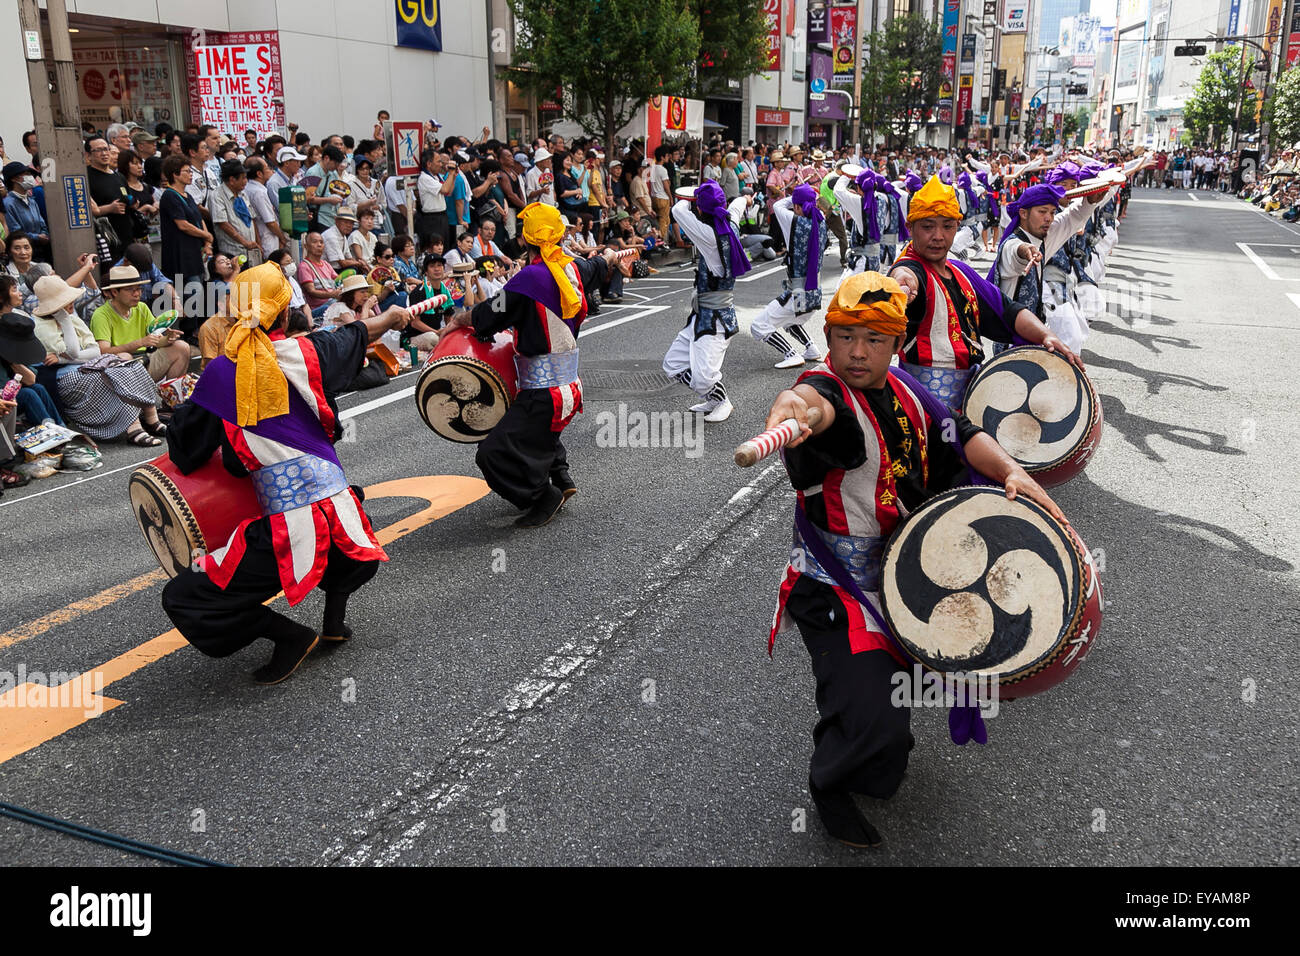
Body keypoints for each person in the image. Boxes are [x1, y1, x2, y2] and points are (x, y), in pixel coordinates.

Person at [762, 270, 1068, 847]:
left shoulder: (905, 390)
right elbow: (809, 406)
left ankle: (869, 738)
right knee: (870, 704)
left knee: (896, 702)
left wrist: (1013, 472)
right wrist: (792, 410)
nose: (858, 352)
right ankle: (828, 785)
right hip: (835, 584)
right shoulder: (827, 392)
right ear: (827, 337)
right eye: (846, 335)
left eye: (874, 339)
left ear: (895, 345)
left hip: (906, 574)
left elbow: (963, 434)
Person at [160, 263, 411, 684]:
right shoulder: (311, 352)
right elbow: (352, 336)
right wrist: (388, 317)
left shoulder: (222, 374)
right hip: (345, 514)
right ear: (285, 311)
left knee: (185, 596)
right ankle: (334, 619)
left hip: (292, 528)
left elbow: (186, 452)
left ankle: (290, 636)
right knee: (343, 548)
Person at [439, 203, 617, 527]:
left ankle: (540, 496)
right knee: (534, 432)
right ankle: (561, 478)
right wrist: (612, 256)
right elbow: (597, 265)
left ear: (525, 240)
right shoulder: (573, 268)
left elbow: (487, 315)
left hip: (543, 393)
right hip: (569, 388)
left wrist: (457, 322)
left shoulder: (528, 281)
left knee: (491, 453)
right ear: (560, 236)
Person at [886, 175, 1080, 410]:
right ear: (910, 228)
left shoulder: (961, 273)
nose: (938, 236)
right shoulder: (913, 269)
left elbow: (1009, 311)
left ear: (957, 227)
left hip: (970, 401)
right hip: (922, 407)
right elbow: (906, 274)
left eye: (947, 226)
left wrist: (1047, 336)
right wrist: (902, 283)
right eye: (927, 226)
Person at [29, 273, 165, 446]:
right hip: (63, 378)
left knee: (128, 366)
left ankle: (151, 418)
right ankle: (134, 428)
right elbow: (73, 351)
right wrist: (65, 322)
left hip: (87, 366)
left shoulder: (72, 318)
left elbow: (93, 351)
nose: (72, 304)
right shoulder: (41, 326)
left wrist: (64, 358)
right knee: (110, 377)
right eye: (67, 301)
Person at [661, 181, 751, 424]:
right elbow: (738, 205)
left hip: (716, 320)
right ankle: (711, 398)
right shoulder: (729, 221)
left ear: (700, 209)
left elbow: (678, 211)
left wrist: (687, 195)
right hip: (701, 315)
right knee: (673, 364)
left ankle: (722, 401)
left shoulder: (709, 235)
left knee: (703, 377)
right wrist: (746, 197)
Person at [989, 181, 1103, 354]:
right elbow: (1014, 250)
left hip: (1033, 337)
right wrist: (1026, 250)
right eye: (1042, 212)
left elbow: (1071, 217)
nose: (1049, 218)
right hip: (1011, 345)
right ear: (1023, 213)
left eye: (1052, 212)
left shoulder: (1042, 237)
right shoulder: (1010, 243)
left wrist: (1090, 201)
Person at [750, 184, 827, 368]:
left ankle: (791, 354)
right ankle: (811, 348)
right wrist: (806, 196)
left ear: (797, 206)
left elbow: (777, 206)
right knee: (790, 321)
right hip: (814, 293)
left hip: (797, 294)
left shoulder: (792, 221)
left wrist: (792, 194)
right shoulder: (820, 219)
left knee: (758, 326)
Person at [89, 265, 190, 383]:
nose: (137, 294)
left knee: (182, 347)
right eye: (130, 289)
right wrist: (140, 343)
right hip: (120, 371)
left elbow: (156, 340)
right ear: (115, 292)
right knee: (124, 358)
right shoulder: (101, 315)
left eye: (138, 288)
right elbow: (103, 351)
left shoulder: (142, 307)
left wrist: (168, 339)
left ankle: (170, 397)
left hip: (145, 360)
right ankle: (135, 400)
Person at [159, 154, 212, 334]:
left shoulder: (187, 195)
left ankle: (194, 328)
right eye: (187, 171)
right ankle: (188, 330)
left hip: (193, 252)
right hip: (179, 253)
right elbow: (182, 224)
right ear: (175, 174)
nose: (190, 174)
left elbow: (198, 218)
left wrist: (206, 240)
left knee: (197, 290)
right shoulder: (169, 195)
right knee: (190, 291)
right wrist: (206, 235)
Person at [86, 137, 134, 260]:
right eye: (98, 150)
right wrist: (109, 208)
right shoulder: (85, 177)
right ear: (88, 155)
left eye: (106, 149)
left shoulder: (119, 176)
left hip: (126, 237)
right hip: (105, 240)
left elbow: (127, 199)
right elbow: (87, 210)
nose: (104, 153)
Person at [210, 159, 261, 266]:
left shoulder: (243, 194)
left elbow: (252, 219)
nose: (246, 181)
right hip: (232, 253)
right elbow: (223, 223)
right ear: (232, 180)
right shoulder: (217, 196)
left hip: (251, 251)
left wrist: (258, 243)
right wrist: (244, 242)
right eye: (243, 178)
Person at [3, 163, 51, 263]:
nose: (30, 177)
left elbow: (42, 224)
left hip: (41, 253)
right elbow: (15, 232)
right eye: (26, 174)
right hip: (23, 256)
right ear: (14, 179)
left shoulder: (32, 201)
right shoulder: (8, 204)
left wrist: (44, 235)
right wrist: (37, 237)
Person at [297, 232, 341, 319]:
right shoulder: (304, 266)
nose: (319, 245)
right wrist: (332, 294)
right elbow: (311, 291)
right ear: (306, 246)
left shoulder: (326, 264)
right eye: (315, 242)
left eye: (321, 242)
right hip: (319, 308)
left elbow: (339, 280)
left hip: (332, 300)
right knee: (337, 306)